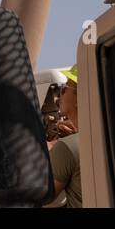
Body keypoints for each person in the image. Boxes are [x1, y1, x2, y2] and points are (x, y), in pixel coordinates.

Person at [48, 64, 82, 208]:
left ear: (78, 99)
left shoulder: (68, 147)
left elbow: (43, 199)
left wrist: (45, 152)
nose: (61, 93)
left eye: (66, 88)